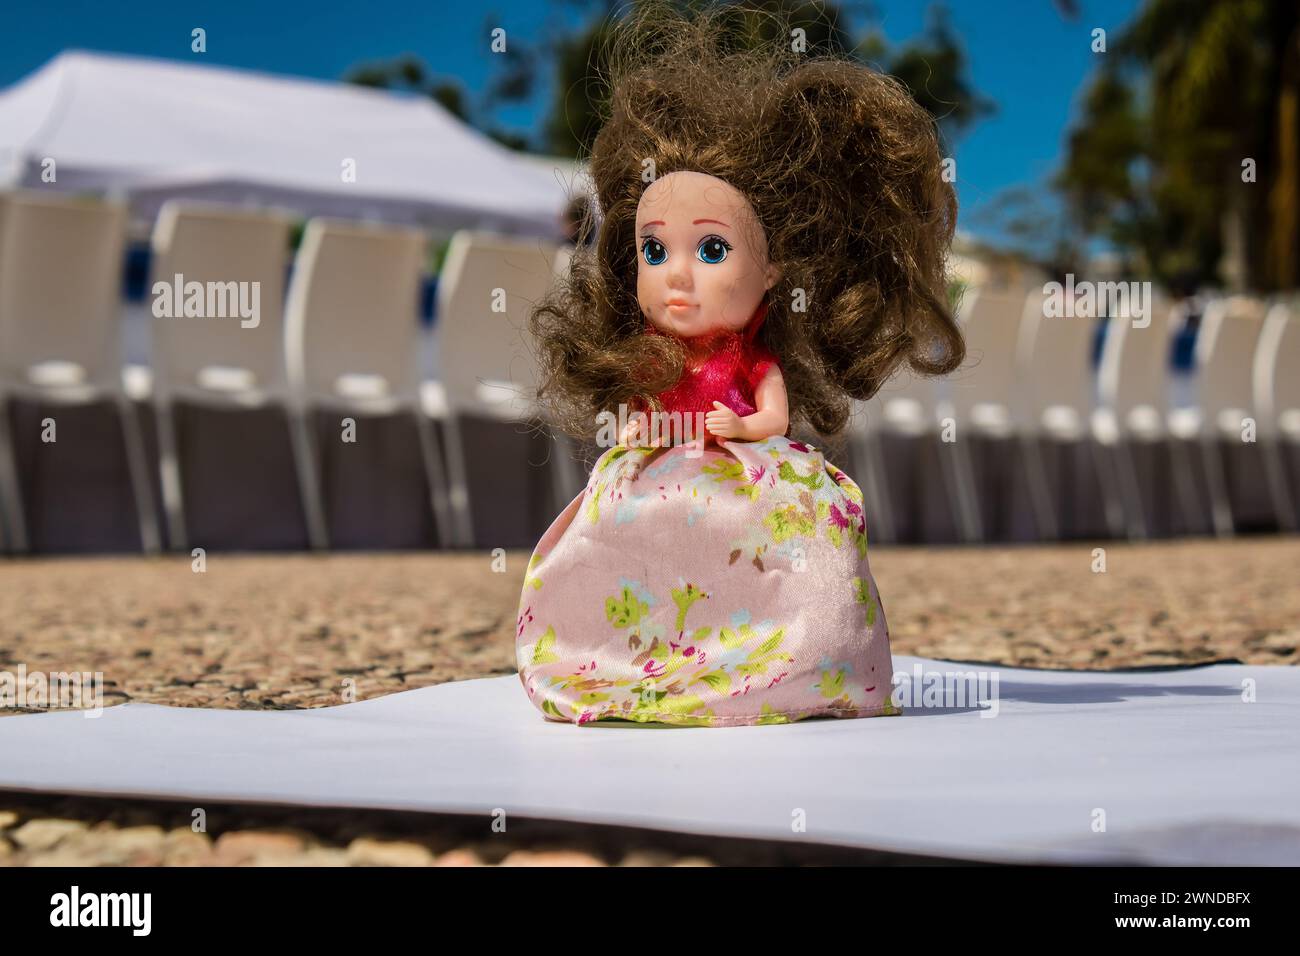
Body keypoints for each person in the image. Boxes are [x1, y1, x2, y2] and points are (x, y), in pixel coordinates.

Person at [515, 1, 965, 726]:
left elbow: (772, 416)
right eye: (654, 250)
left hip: (748, 475)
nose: (676, 274)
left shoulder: (753, 362)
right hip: (660, 471)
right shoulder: (656, 359)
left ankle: (796, 663)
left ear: (772, 270)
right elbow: (642, 406)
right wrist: (636, 432)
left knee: (781, 557)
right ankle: (609, 661)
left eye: (712, 249)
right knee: (624, 544)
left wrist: (746, 426)